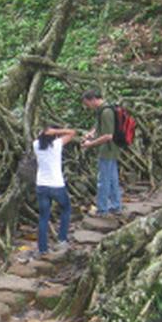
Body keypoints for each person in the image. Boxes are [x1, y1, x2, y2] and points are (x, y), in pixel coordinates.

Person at [33, 126, 76, 254]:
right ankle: (62, 239)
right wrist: (56, 131)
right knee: (66, 208)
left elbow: (40, 137)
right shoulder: (57, 144)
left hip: (41, 186)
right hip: (57, 185)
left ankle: (42, 249)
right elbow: (72, 132)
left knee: (43, 217)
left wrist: (45, 132)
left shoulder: (36, 145)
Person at [81, 91, 123, 216]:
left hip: (108, 150)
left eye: (87, 103)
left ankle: (102, 209)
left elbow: (108, 136)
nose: (87, 106)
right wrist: (91, 133)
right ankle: (116, 206)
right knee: (112, 178)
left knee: (103, 180)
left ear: (93, 99)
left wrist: (90, 144)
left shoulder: (106, 112)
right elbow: (98, 125)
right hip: (111, 150)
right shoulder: (104, 109)